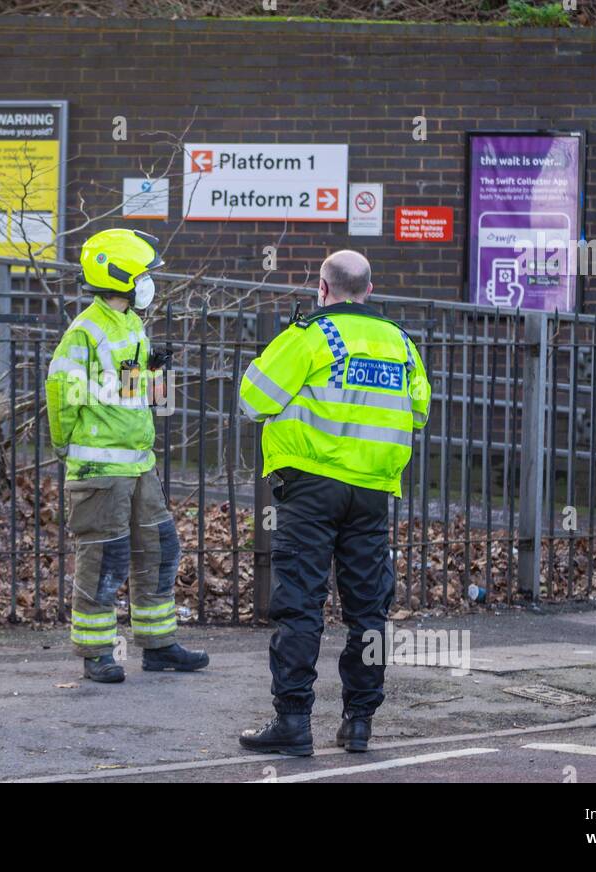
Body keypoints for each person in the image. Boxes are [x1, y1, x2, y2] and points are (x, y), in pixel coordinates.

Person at [237, 250, 430, 754]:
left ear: (322, 289)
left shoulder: (310, 336)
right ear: (369, 289)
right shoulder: (402, 344)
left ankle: (293, 723)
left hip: (310, 487)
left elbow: (253, 399)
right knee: (369, 610)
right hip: (371, 493)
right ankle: (360, 722)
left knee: (300, 604)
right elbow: (419, 412)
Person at [44, 228, 209, 683]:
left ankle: (158, 645)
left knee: (159, 547)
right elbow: (62, 393)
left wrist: (154, 375)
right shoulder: (86, 331)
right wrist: (70, 448)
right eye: (144, 275)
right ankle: (96, 651)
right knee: (105, 557)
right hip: (102, 468)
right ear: (118, 277)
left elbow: (131, 394)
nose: (149, 283)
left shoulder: (131, 324)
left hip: (138, 463)